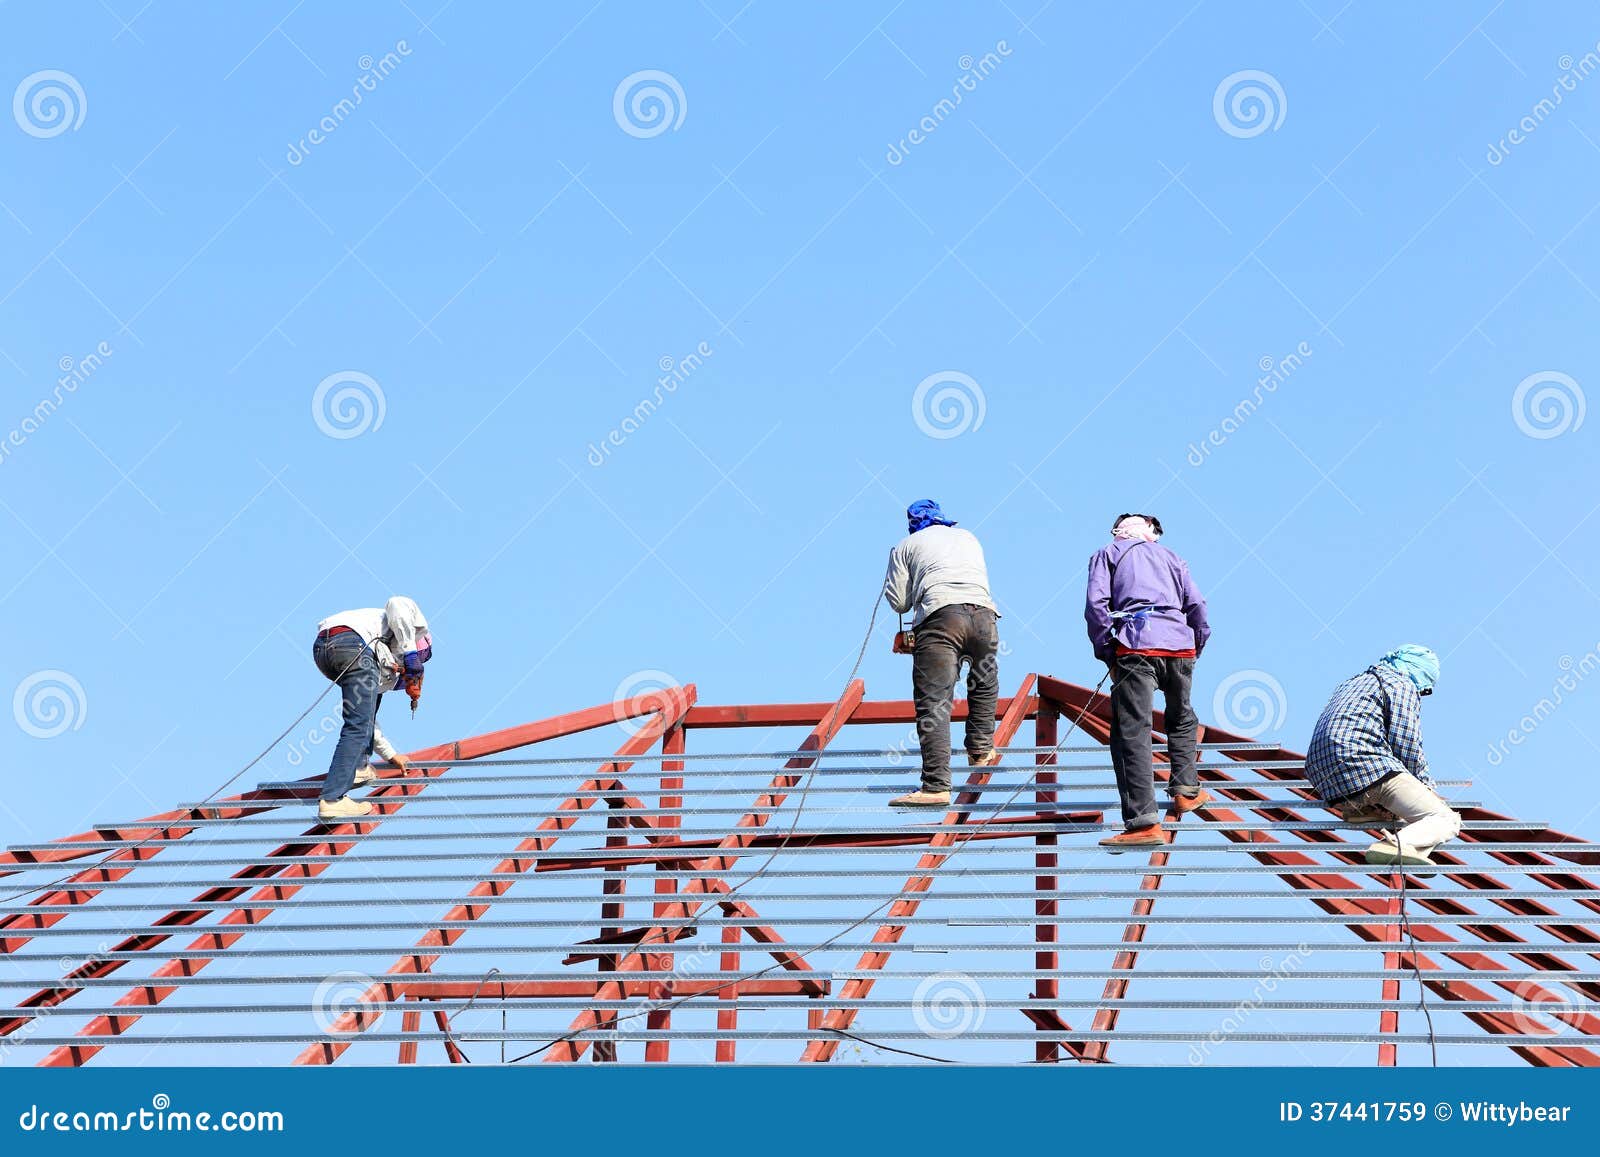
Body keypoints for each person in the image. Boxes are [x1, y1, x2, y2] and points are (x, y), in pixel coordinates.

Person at [1085, 514, 1211, 849]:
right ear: (1151, 533)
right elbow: (1196, 603)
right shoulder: (1172, 557)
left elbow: (1097, 605)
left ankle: (1142, 823)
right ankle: (1186, 790)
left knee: (1132, 730)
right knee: (1182, 717)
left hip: (1137, 645)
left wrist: (1107, 650)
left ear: (1118, 531)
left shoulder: (1109, 553)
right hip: (1180, 645)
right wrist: (1196, 643)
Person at [882, 499, 1002, 808]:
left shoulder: (906, 545)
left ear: (913, 523)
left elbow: (899, 602)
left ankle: (935, 786)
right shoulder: (968, 536)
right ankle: (981, 750)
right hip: (985, 615)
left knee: (934, 703)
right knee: (983, 680)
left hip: (941, 617)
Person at [1306, 644, 1460, 868]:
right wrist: (1427, 788)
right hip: (1362, 763)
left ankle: (1362, 810)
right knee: (1445, 819)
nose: (1422, 694)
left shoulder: (1353, 683)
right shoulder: (1401, 683)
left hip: (1325, 780)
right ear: (1419, 672)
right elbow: (1406, 741)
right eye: (1426, 688)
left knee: (1392, 805)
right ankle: (1397, 845)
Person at [311, 595, 432, 821]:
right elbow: (397, 602)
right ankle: (332, 799)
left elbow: (366, 718)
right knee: (356, 728)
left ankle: (358, 769)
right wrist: (411, 653)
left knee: (360, 719)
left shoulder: (379, 655)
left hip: (325, 649)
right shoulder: (414, 628)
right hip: (352, 642)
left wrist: (390, 754)